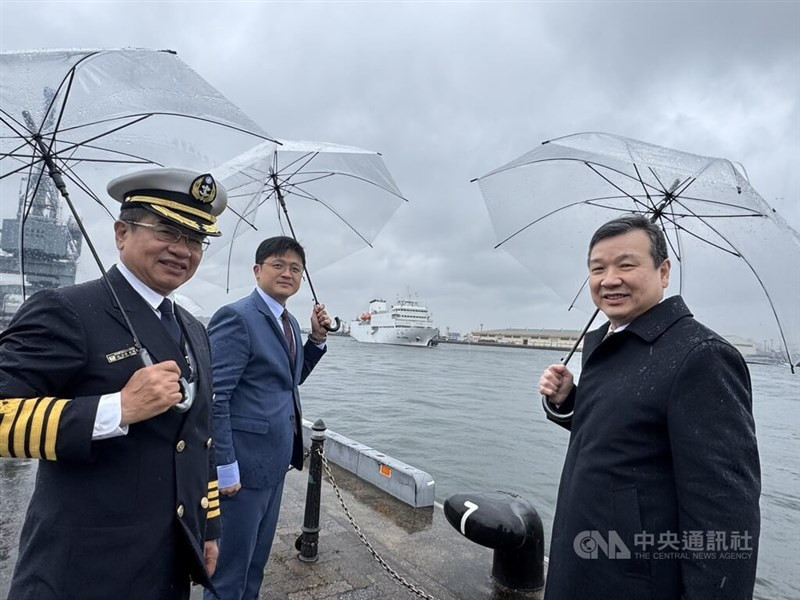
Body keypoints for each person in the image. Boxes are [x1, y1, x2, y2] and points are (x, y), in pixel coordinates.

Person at [0, 167, 227, 599]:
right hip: (84, 568)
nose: (182, 250)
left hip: (168, 561)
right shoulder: (66, 309)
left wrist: (207, 528)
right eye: (166, 230)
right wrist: (116, 409)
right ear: (122, 233)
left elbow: (200, 438)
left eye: (195, 239)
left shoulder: (194, 330)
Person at [538, 214, 760, 600]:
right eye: (598, 268)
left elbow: (724, 510)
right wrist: (567, 402)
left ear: (663, 272)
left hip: (634, 582)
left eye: (626, 265)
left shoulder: (701, 357)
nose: (610, 279)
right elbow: (624, 435)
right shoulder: (607, 343)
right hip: (580, 561)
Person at [205, 236, 330, 600]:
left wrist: (317, 340)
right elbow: (216, 397)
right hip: (241, 469)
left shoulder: (288, 321)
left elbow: (289, 382)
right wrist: (224, 467)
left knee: (255, 564)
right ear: (257, 270)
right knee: (228, 571)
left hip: (274, 465)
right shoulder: (238, 317)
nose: (287, 273)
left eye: (295, 268)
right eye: (278, 265)